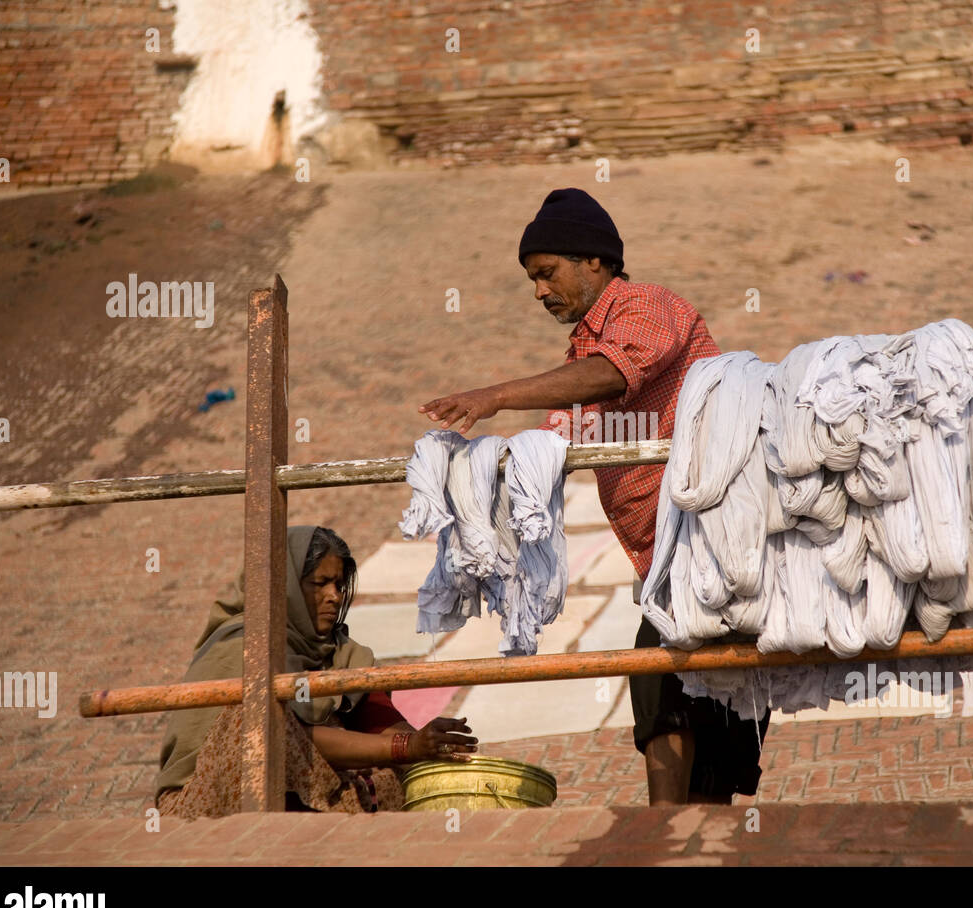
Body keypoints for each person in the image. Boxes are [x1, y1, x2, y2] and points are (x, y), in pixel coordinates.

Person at [418, 187, 770, 806]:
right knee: (687, 696)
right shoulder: (582, 349)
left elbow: (612, 374)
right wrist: (485, 476)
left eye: (547, 273)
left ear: (595, 262)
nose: (539, 292)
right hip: (668, 560)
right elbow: (566, 432)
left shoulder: (649, 308)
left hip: (714, 543)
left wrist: (494, 395)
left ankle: (665, 827)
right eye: (532, 279)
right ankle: (681, 826)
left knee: (664, 678)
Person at [154, 525, 478, 818]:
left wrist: (432, 746)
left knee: (401, 779)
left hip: (310, 796)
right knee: (256, 718)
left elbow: (383, 725)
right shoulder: (241, 646)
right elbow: (278, 734)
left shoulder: (343, 654)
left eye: (338, 584)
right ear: (286, 588)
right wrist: (403, 747)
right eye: (319, 584)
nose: (334, 596)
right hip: (211, 800)